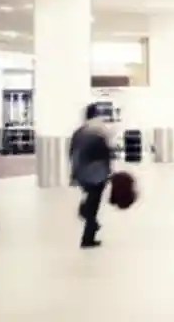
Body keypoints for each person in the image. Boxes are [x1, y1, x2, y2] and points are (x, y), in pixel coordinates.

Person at [69, 103, 113, 249]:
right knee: (93, 206)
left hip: (81, 174)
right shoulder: (100, 131)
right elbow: (106, 154)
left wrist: (74, 174)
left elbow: (72, 154)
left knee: (90, 201)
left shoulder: (78, 133)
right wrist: (109, 172)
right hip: (97, 174)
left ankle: (90, 224)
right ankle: (88, 236)